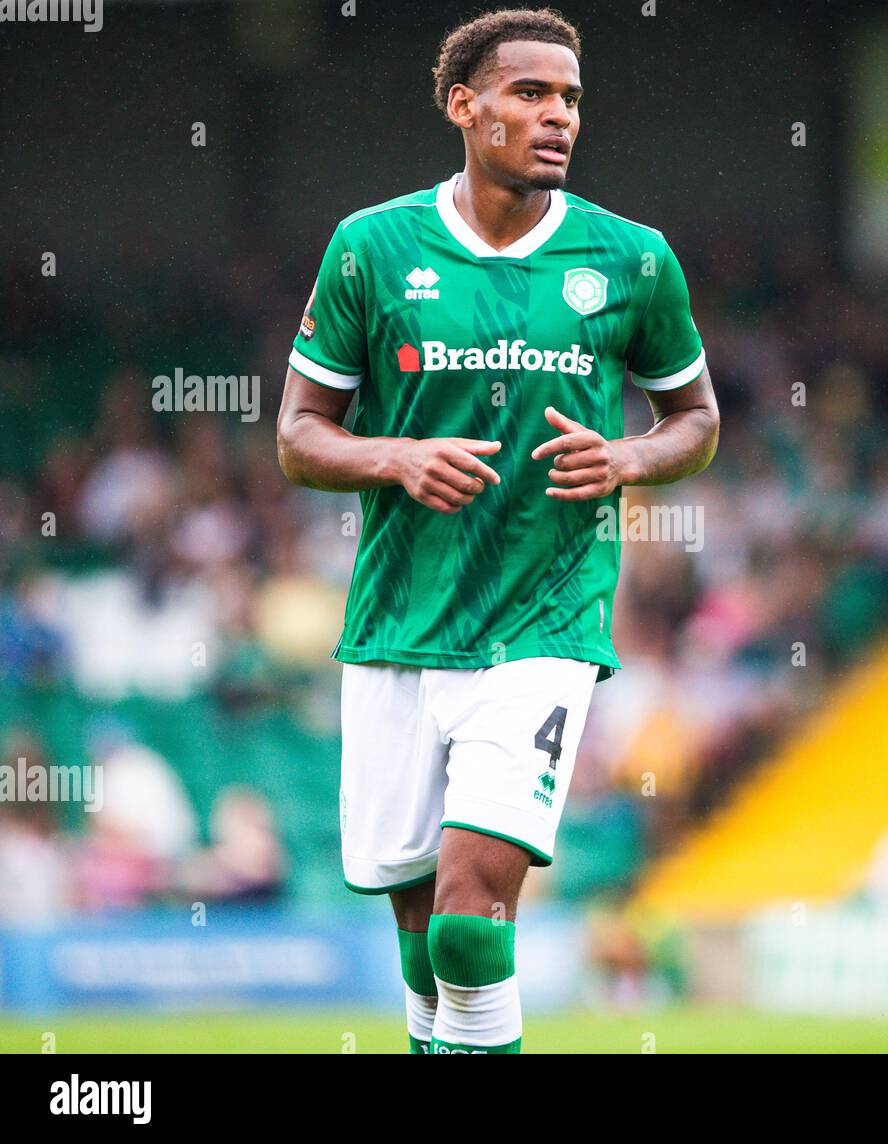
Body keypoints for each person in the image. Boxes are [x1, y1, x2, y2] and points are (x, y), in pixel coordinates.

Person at [276, 7, 719, 1054]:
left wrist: (628, 457)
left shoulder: (632, 260)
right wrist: (393, 455)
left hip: (545, 622)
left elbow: (694, 418)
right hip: (397, 625)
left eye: (569, 97)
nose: (557, 115)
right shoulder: (372, 248)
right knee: (424, 937)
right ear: (463, 105)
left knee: (475, 934)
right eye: (530, 93)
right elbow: (299, 436)